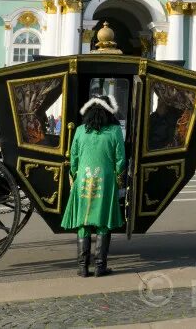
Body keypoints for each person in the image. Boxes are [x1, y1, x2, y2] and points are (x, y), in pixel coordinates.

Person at [61, 96, 125, 278]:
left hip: (83, 179)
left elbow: (73, 158)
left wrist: (75, 175)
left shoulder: (80, 131)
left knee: (83, 222)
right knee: (103, 222)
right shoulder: (114, 131)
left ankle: (82, 267)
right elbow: (120, 160)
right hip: (105, 181)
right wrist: (119, 179)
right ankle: (100, 266)